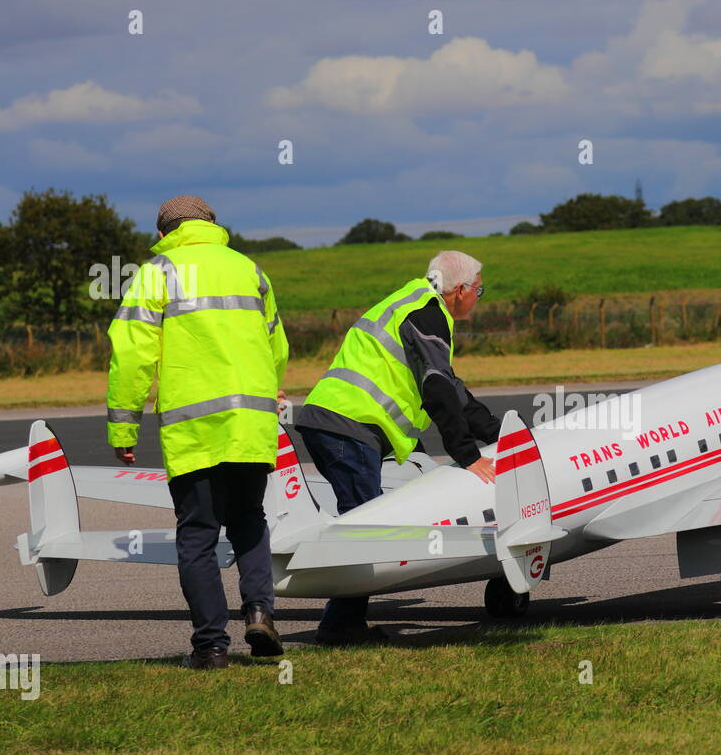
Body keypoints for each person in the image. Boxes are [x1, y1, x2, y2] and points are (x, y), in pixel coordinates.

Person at [106, 195, 290, 669]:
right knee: (249, 520)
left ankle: (210, 646)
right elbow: (277, 346)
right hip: (251, 422)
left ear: (164, 232)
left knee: (198, 536)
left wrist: (124, 426)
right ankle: (260, 612)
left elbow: (131, 355)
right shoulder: (249, 269)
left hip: (195, 429)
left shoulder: (157, 271)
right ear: (213, 224)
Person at [295, 250, 500, 645]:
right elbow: (437, 389)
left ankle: (342, 623)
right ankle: (339, 627)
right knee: (365, 527)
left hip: (339, 423)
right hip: (348, 426)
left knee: (363, 522)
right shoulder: (427, 313)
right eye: (479, 289)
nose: (479, 296)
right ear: (460, 290)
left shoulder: (414, 304)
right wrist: (468, 456)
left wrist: (501, 434)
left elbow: (455, 393)